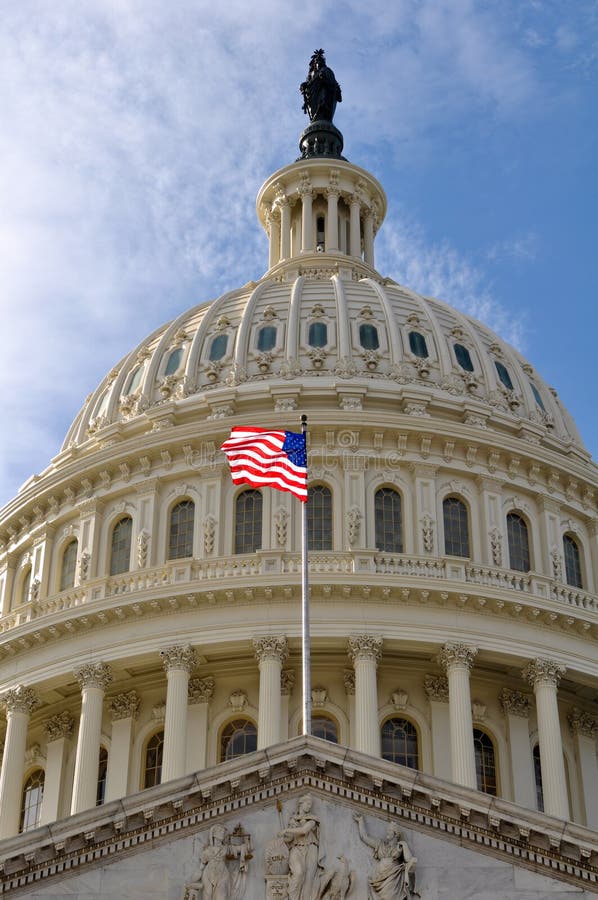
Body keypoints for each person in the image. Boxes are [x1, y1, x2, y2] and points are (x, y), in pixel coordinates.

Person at [353, 815, 418, 899]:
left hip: (393, 877)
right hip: (379, 878)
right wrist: (360, 822)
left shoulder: (400, 846)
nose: (387, 832)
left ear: (395, 834)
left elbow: (409, 859)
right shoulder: (380, 844)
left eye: (389, 831)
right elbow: (364, 837)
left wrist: (404, 845)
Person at [183, 824, 250, 900]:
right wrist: (192, 880)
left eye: (223, 831)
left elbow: (239, 848)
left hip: (222, 875)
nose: (223, 833)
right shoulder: (207, 851)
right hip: (208, 875)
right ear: (214, 834)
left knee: (221, 896)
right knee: (207, 897)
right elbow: (200, 868)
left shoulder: (225, 848)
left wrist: (245, 844)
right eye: (220, 831)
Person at [279, 795, 322, 900]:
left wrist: (286, 830)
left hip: (311, 848)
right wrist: (282, 838)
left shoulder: (312, 819)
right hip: (296, 848)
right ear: (301, 803)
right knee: (298, 872)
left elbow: (303, 830)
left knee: (308, 879)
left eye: (310, 805)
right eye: (307, 804)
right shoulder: (293, 820)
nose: (309, 806)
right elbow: (290, 839)